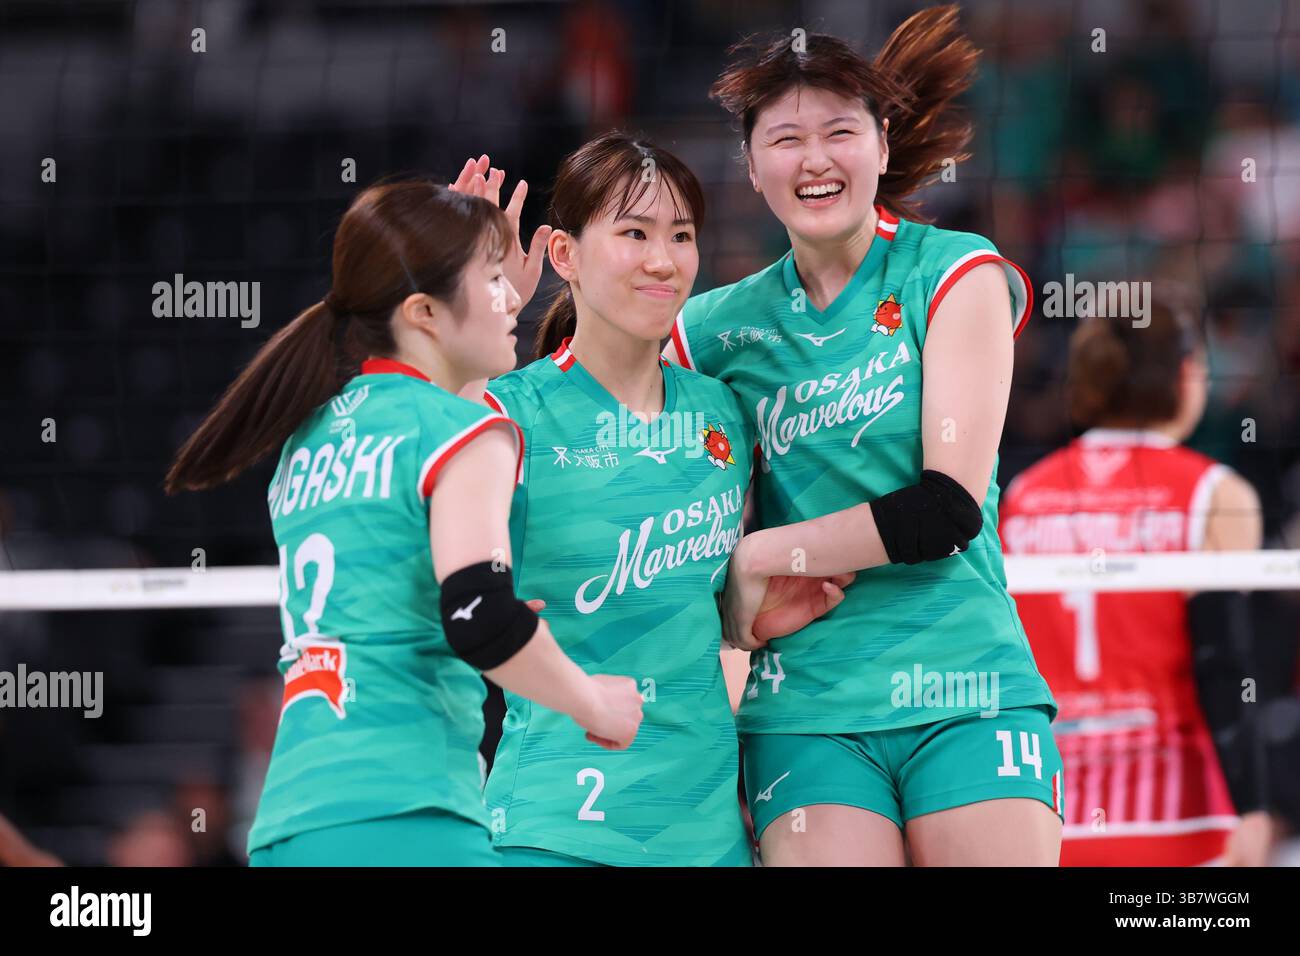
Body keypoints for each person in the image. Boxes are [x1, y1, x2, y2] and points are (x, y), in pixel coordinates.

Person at [662, 7, 1061, 865]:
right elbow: (639, 482)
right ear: (751, 167)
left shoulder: (955, 272)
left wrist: (762, 555)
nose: (815, 159)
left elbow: (945, 510)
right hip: (806, 709)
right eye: (786, 139)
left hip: (968, 685)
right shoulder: (710, 331)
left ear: (881, 144)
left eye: (840, 132)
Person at [166, 178, 644, 866]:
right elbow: (480, 615)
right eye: (492, 280)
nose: (513, 296)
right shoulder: (466, 436)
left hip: (292, 824)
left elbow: (417, 564)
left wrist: (473, 285)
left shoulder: (308, 439)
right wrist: (593, 702)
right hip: (409, 810)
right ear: (422, 312)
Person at [452, 139, 853, 866]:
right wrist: (478, 299)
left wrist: (743, 616)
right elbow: (412, 466)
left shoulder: (725, 412)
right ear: (565, 255)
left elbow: (699, 613)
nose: (663, 261)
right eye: (634, 234)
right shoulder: (506, 412)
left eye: (681, 236)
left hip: (706, 836)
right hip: (555, 828)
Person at [1000, 285, 1276, 866]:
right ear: (1186, 373)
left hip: (1048, 813)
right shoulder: (1213, 494)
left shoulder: (1022, 496)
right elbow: (1224, 664)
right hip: (1180, 818)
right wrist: (1253, 805)